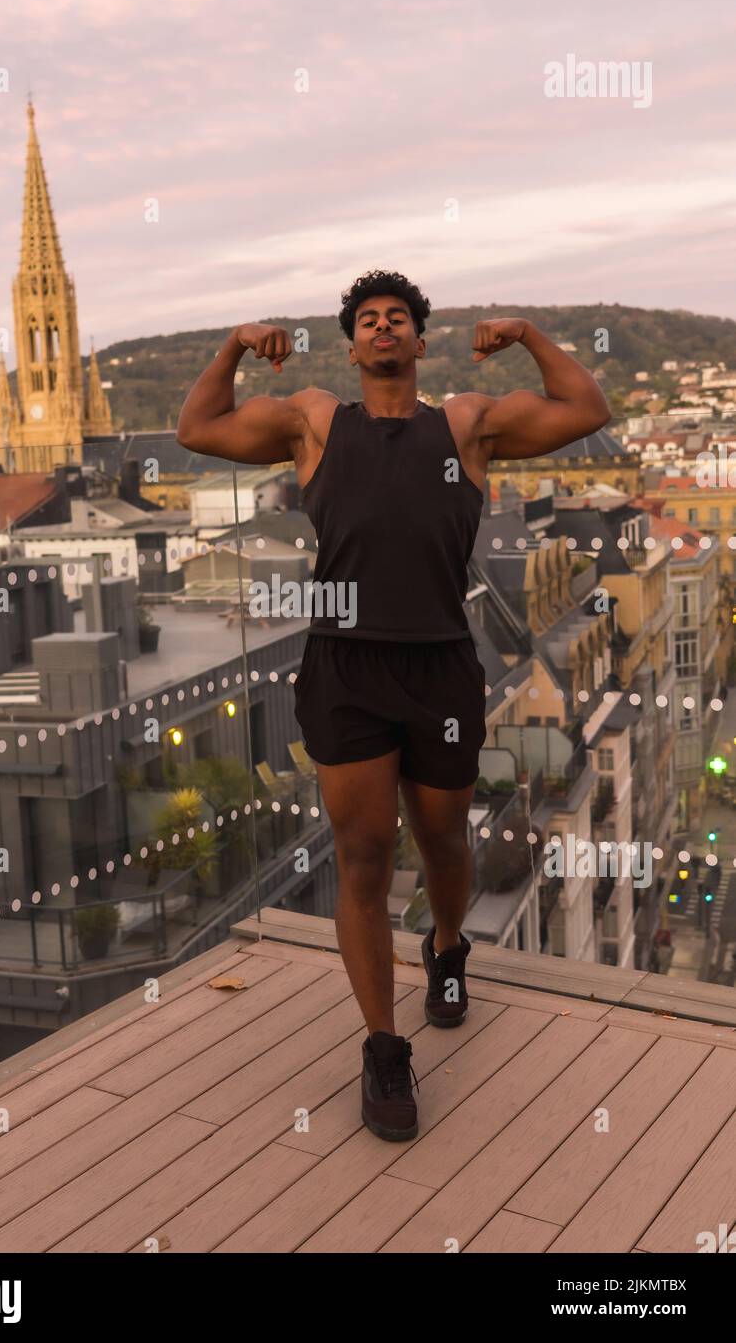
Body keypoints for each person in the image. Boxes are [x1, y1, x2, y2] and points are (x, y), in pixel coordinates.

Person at [177, 269, 611, 1140]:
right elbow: (198, 429)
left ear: (419, 341)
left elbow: (586, 408)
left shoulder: (466, 424)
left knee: (445, 837)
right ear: (351, 347)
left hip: (441, 664)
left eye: (398, 319)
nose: (383, 328)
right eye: (369, 319)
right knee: (365, 854)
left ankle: (447, 947)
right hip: (345, 666)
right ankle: (383, 1050)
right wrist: (231, 345)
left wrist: (526, 332)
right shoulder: (311, 419)